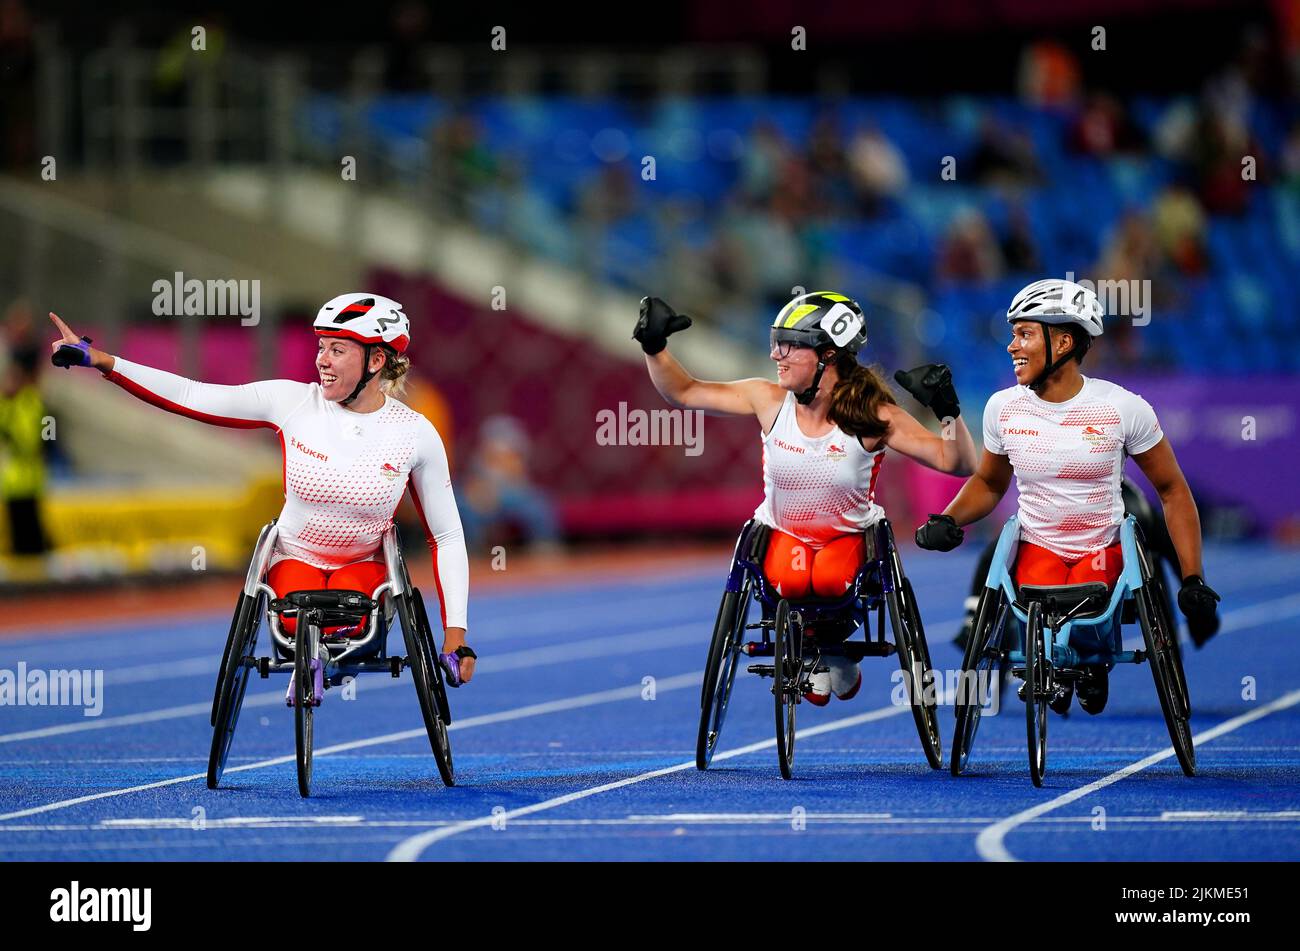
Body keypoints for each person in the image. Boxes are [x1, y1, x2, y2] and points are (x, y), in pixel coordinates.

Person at [46, 293, 476, 686]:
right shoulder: (290, 401)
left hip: (364, 565)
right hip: (295, 556)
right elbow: (191, 394)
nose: (321, 360)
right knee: (296, 620)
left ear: (377, 360)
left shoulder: (414, 434)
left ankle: (325, 658)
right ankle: (313, 657)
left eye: (337, 350)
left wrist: (455, 636)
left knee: (346, 615)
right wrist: (104, 361)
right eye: (320, 347)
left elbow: (447, 536)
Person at [635, 291, 977, 706]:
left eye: (790, 345)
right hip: (785, 536)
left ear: (827, 356)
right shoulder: (768, 400)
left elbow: (956, 462)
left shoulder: (874, 416)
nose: (777, 354)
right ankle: (822, 651)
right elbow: (685, 392)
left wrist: (948, 411)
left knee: (831, 580)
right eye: (776, 342)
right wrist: (654, 347)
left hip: (848, 541)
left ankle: (830, 648)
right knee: (793, 581)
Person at [915, 278, 1220, 715]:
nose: (1011, 346)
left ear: (1063, 341)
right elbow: (989, 483)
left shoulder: (1123, 408)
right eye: (1012, 334)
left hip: (1104, 550)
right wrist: (948, 519)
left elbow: (1172, 491)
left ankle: (1088, 664)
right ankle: (1056, 666)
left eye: (1024, 334)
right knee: (1036, 596)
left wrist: (1192, 579)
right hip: (1038, 548)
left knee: (1086, 605)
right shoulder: (1003, 408)